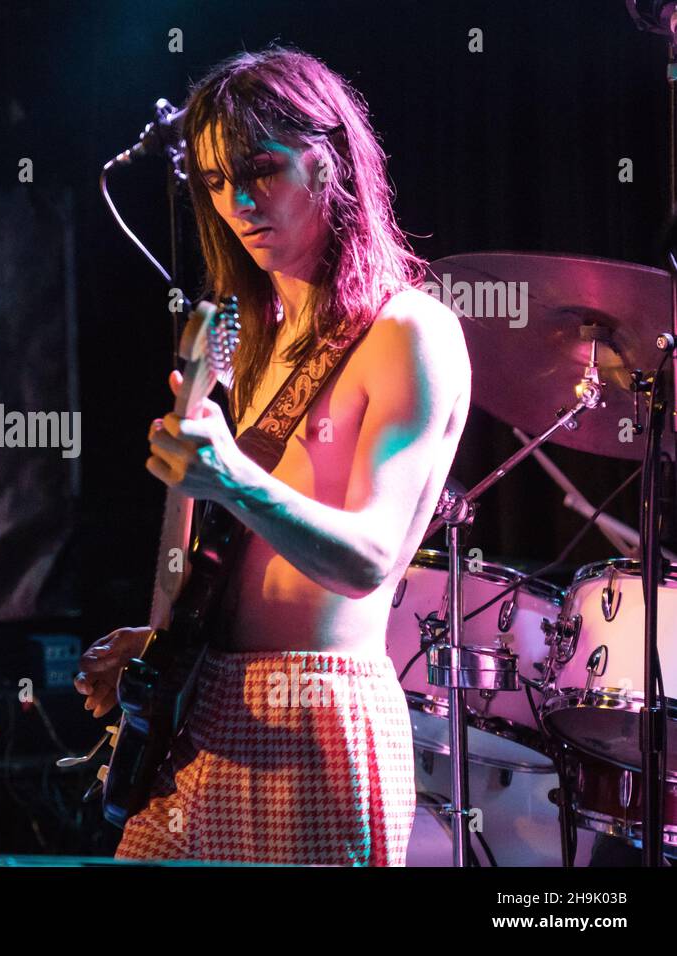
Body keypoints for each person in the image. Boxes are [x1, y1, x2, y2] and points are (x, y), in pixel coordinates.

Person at [75, 47, 471, 866]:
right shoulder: (255, 339)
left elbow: (367, 560)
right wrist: (155, 644)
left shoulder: (408, 330)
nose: (238, 201)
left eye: (260, 169)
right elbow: (222, 557)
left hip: (318, 714)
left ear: (326, 164)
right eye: (216, 181)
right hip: (209, 704)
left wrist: (230, 473)